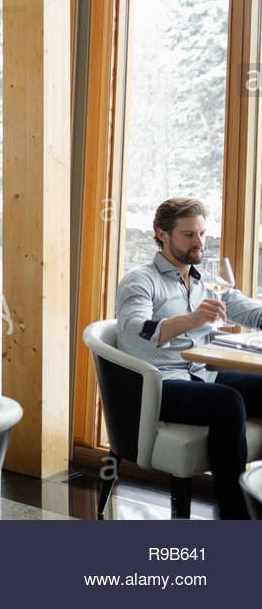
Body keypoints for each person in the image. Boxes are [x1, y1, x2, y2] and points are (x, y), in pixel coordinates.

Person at [115, 197, 262, 519]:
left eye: (202, 233)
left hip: (201, 374)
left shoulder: (205, 280)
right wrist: (191, 320)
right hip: (158, 384)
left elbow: (250, 311)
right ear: (162, 234)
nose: (199, 242)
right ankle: (237, 518)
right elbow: (133, 331)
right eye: (189, 235)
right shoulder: (141, 280)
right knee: (228, 402)